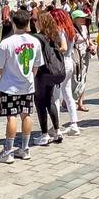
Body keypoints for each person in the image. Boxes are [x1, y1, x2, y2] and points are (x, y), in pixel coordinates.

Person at [0, 9, 43, 163]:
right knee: (26, 115)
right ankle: (25, 148)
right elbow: (36, 65)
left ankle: (8, 151)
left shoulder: (6, 43)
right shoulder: (35, 42)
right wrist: (31, 77)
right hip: (27, 85)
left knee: (11, 117)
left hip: (9, 86)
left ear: (13, 23)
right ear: (28, 23)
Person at [33, 11, 65, 145]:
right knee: (50, 100)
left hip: (42, 73)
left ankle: (44, 134)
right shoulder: (54, 35)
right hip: (54, 72)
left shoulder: (37, 37)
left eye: (36, 20)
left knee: (40, 102)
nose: (34, 22)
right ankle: (57, 131)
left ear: (41, 22)